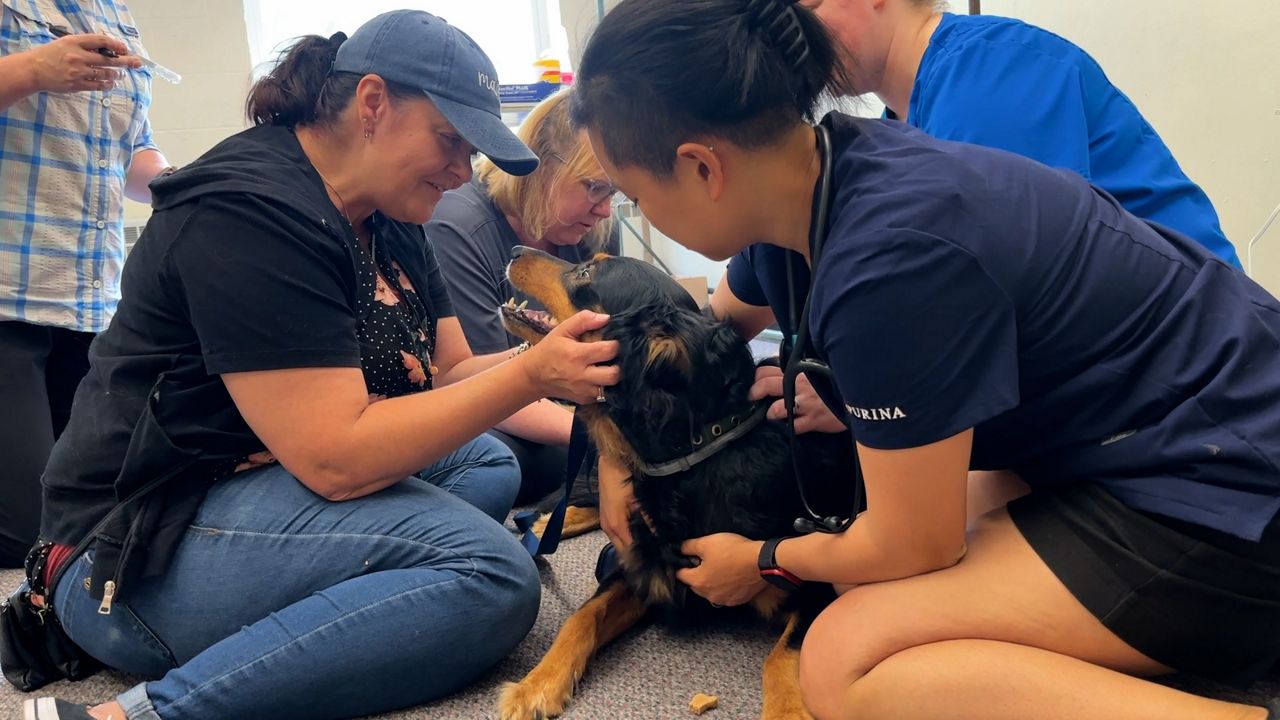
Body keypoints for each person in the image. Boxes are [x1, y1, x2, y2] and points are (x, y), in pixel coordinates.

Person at [572, 1, 1280, 719]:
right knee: (861, 571)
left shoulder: (891, 261)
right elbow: (704, 339)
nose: (638, 214)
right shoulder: (819, 178)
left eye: (636, 195)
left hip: (1229, 486)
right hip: (1132, 443)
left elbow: (917, 545)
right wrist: (621, 462)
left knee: (844, 659)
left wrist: (764, 557)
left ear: (701, 166)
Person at [21, 10, 619, 720]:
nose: (464, 171)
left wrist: (548, 359)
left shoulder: (391, 214)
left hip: (260, 484)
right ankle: (141, 713)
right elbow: (337, 461)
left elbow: (452, 372)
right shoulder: (251, 210)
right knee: (494, 574)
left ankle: (344, 607)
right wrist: (533, 374)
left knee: (486, 463)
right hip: (132, 543)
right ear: (372, 103)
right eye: (450, 140)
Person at [713, 0, 1242, 368]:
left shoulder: (990, 78)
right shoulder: (895, 135)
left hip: (1198, 371)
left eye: (806, 8)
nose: (792, 42)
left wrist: (853, 400)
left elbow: (1005, 317)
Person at [0, 1, 171, 568]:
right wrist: (30, 70)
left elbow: (130, 149)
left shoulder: (115, 14)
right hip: (7, 295)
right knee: (25, 533)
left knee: (89, 510)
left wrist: (181, 183)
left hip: (88, 301)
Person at [430, 89, 617, 504]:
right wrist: (611, 442)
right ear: (540, 166)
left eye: (613, 192)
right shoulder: (457, 227)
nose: (605, 209)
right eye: (593, 188)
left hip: (565, 398)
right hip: (488, 404)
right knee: (501, 459)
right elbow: (475, 387)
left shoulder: (595, 229)